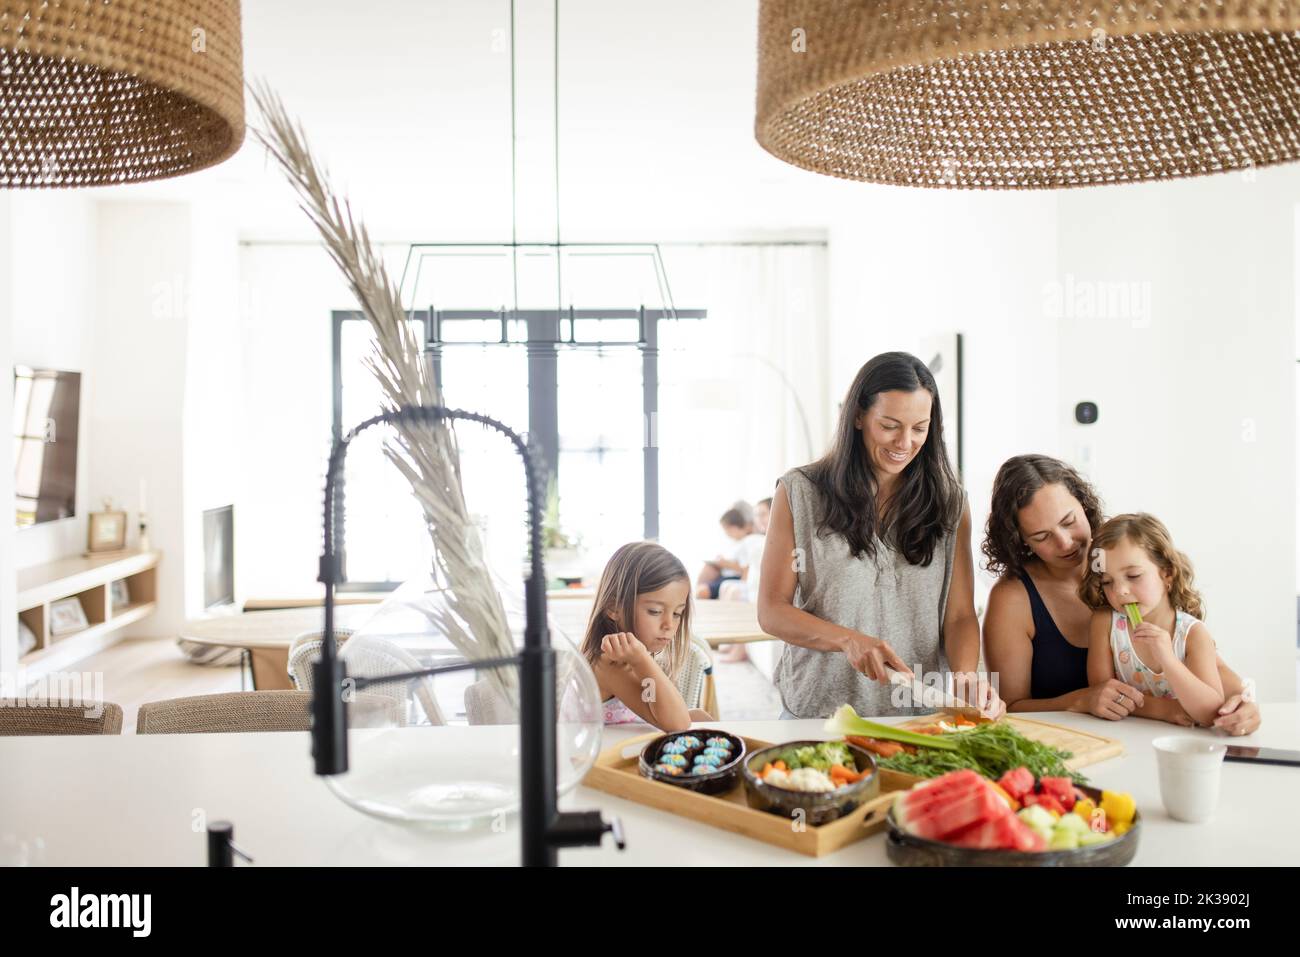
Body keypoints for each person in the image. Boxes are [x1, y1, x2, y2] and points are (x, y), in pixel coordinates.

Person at [757, 352, 1004, 719]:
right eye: (890, 425)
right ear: (858, 416)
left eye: (919, 428)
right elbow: (772, 611)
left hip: (917, 711)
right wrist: (848, 640)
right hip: (819, 710)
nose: (904, 442)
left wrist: (966, 676)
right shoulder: (800, 492)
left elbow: (959, 616)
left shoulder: (951, 502)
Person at [981, 454, 1260, 734]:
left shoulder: (1125, 556)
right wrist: (1080, 700)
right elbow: (1009, 707)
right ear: (1020, 540)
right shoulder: (1013, 598)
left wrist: (1243, 703)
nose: (1065, 543)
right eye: (1042, 536)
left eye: (1069, 521)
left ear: (1084, 505)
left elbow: (1202, 659)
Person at [1082, 514, 1226, 726]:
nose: (1120, 591)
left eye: (1133, 575)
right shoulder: (1105, 623)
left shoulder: (1193, 634)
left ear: (1167, 573)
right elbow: (1105, 696)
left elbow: (1210, 714)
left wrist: (1168, 659)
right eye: (1107, 581)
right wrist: (1164, 710)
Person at [582, 541, 713, 731]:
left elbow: (650, 702)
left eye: (677, 613)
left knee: (701, 717)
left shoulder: (628, 658)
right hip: (606, 749)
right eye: (655, 611)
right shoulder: (608, 662)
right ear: (613, 607)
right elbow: (678, 724)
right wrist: (641, 659)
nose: (669, 625)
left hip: (625, 738)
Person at [695, 508, 751, 599]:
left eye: (725, 529)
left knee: (702, 592)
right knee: (700, 589)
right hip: (724, 576)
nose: (726, 533)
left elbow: (746, 569)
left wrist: (726, 564)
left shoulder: (746, 543)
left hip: (733, 578)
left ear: (733, 528)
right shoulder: (734, 543)